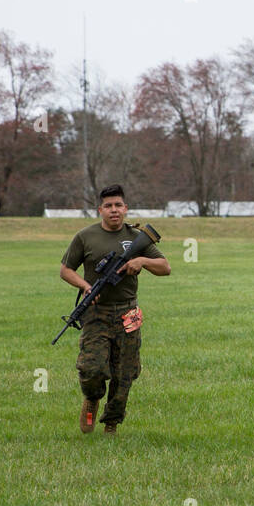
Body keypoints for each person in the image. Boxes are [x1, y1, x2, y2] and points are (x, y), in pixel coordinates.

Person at [59, 184, 170, 435]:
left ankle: (112, 424)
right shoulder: (85, 236)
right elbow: (65, 270)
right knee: (91, 368)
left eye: (118, 205)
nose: (114, 210)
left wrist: (141, 260)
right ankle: (92, 397)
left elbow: (165, 267)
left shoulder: (137, 236)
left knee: (125, 372)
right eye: (108, 206)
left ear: (125, 208)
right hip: (96, 312)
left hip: (127, 312)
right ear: (100, 210)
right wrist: (85, 286)